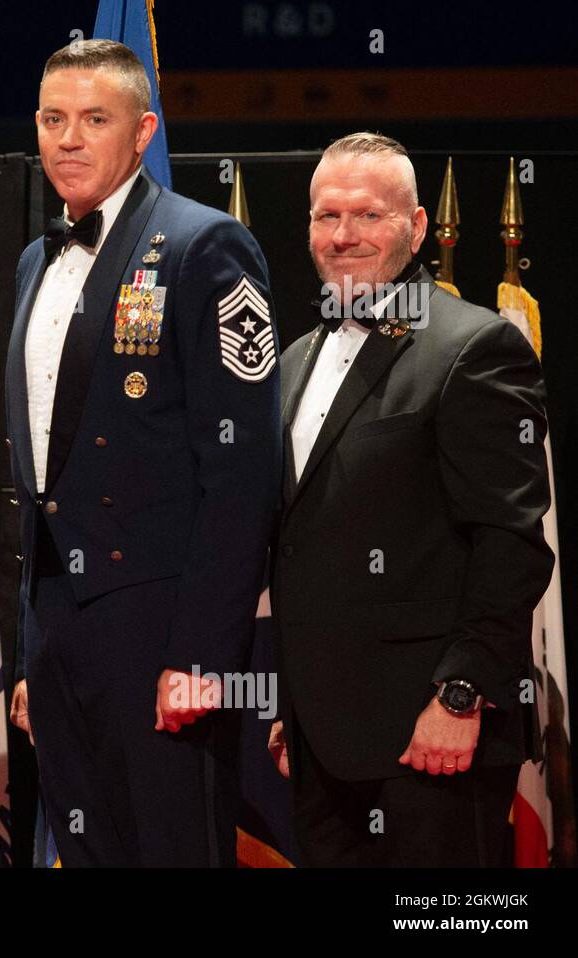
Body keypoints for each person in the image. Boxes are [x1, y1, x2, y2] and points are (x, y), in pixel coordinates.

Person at [5, 39, 281, 866]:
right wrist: (33, 652)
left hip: (162, 627)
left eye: (95, 119)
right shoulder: (31, 261)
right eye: (54, 119)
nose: (70, 139)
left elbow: (241, 475)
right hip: (60, 631)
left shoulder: (207, 246)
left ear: (142, 133)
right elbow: (39, 477)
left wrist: (201, 656)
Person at [267, 132, 552, 867]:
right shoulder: (296, 359)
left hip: (434, 737)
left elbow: (511, 543)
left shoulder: (474, 347)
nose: (343, 235)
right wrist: (295, 704)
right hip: (322, 741)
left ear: (417, 226)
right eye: (327, 216)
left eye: (367, 215)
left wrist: (460, 697)